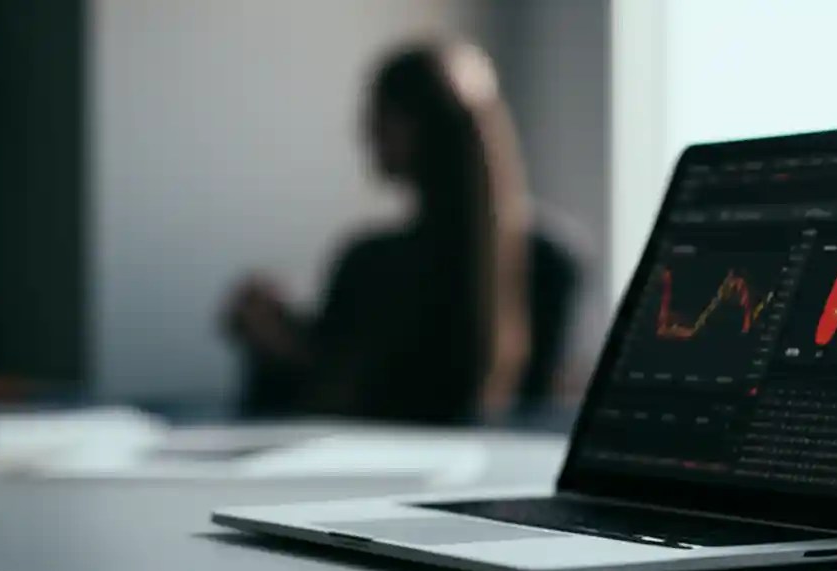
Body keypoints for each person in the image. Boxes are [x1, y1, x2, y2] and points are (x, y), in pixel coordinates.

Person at [224, 41, 580, 425]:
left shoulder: (370, 263)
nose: (363, 132)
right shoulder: (555, 259)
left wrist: (279, 348)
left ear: (410, 127)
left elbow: (333, 405)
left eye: (377, 115)